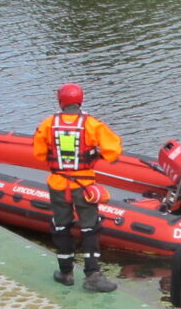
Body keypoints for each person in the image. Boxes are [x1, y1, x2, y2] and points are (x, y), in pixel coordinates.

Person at [30, 83, 120, 293]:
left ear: (60, 101)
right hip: (84, 185)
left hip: (58, 184)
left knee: (61, 226)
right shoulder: (92, 125)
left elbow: (39, 154)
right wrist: (95, 154)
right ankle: (93, 275)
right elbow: (113, 151)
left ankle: (65, 273)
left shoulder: (48, 124)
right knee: (90, 227)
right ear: (81, 100)